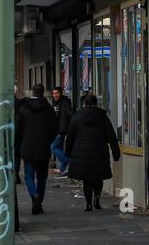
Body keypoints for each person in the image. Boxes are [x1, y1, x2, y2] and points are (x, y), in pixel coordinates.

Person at [63, 92, 121, 212]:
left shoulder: (77, 116)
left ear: (84, 103)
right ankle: (97, 200)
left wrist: (67, 152)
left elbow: (70, 136)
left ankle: (88, 204)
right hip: (99, 153)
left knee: (87, 179)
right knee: (98, 177)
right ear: (96, 103)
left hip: (82, 154)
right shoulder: (102, 117)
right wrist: (116, 153)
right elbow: (111, 136)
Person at [14, 83, 58, 215]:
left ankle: (34, 195)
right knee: (42, 177)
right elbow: (55, 128)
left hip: (27, 147)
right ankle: (39, 201)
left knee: (28, 175)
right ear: (43, 92)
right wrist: (48, 140)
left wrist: (18, 145)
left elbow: (18, 130)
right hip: (43, 147)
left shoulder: (23, 109)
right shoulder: (49, 109)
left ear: (32, 92)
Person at [50, 86, 73, 174]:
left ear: (60, 93)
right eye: (53, 93)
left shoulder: (65, 102)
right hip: (56, 129)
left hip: (61, 130)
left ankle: (67, 161)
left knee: (53, 147)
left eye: (57, 93)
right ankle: (62, 169)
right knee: (59, 148)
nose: (55, 95)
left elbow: (70, 113)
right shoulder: (55, 103)